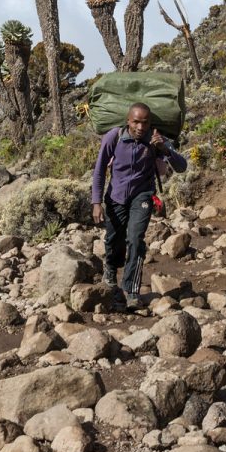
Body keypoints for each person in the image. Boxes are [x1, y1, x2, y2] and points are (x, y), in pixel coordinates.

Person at [90, 102, 187, 310]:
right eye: (136, 122)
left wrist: (164, 149)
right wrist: (96, 202)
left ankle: (132, 291)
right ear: (128, 121)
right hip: (115, 196)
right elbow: (99, 171)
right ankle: (110, 270)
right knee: (114, 239)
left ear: (150, 123)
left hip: (142, 196)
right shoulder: (114, 137)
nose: (140, 127)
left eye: (144, 122)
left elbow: (182, 167)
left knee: (135, 238)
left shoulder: (155, 139)